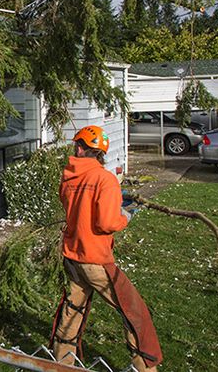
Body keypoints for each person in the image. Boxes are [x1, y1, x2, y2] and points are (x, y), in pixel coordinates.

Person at [50, 125, 162, 371]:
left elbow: (76, 207)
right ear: (100, 153)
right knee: (134, 313)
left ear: (80, 148)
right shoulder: (104, 179)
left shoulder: (68, 177)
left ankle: (62, 363)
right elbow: (107, 223)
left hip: (72, 256)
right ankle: (145, 366)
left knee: (73, 309)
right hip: (95, 260)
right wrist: (126, 215)